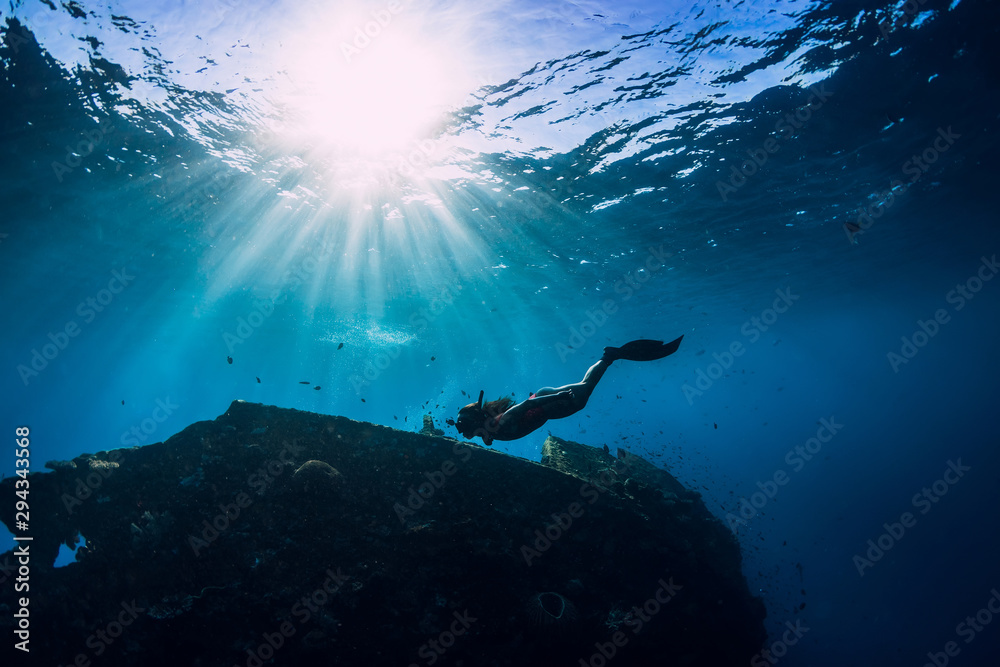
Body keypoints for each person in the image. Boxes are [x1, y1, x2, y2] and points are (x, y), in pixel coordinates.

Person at [455, 337, 683, 446]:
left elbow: (525, 406)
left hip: (548, 404)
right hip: (544, 400)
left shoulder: (499, 424)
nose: (463, 434)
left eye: (465, 429)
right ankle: (609, 356)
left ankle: (609, 356)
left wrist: (559, 397)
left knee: (585, 391)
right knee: (585, 383)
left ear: (478, 422)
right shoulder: (490, 430)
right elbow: (490, 434)